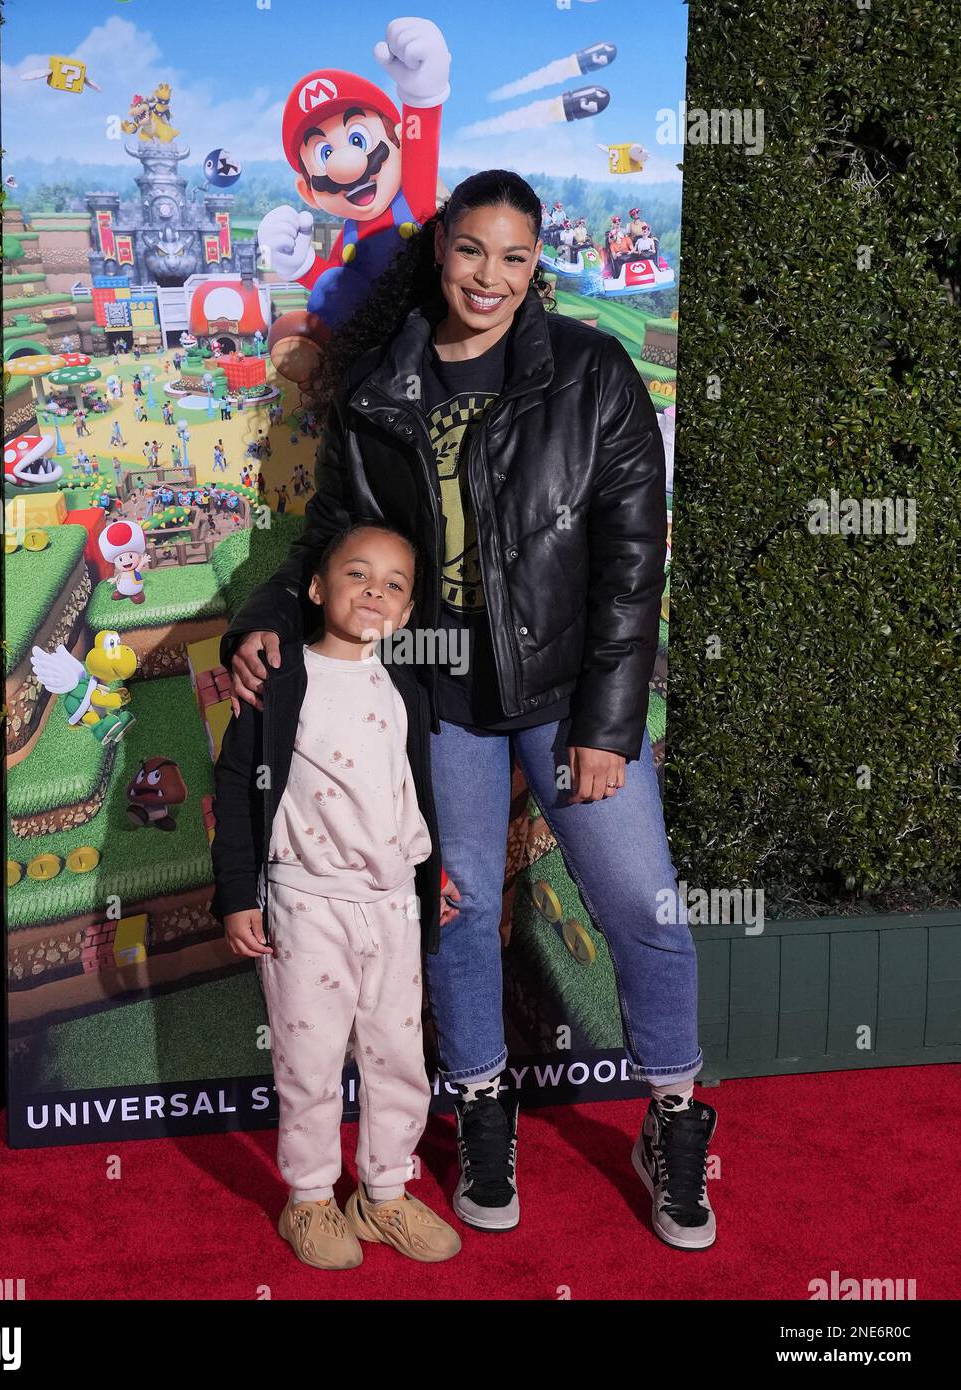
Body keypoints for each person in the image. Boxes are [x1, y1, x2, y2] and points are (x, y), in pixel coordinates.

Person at [219, 169, 716, 1253]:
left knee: (643, 901)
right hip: (435, 697)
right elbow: (332, 544)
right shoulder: (381, 386)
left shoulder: (590, 372)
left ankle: (673, 1116)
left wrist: (605, 723)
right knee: (449, 910)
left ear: (536, 265)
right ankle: (481, 1106)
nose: (489, 277)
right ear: (440, 246)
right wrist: (264, 615)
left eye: (514, 257)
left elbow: (633, 565)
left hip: (569, 692)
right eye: (471, 251)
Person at [210, 523, 463, 1271]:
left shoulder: (409, 685)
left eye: (393, 584)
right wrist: (235, 892)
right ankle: (311, 1200)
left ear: (408, 611)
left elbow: (410, 792)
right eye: (357, 575)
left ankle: (383, 1196)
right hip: (305, 902)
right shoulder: (279, 682)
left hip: (392, 907)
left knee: (398, 1059)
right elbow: (235, 784)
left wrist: (428, 875)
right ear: (316, 590)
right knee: (310, 1062)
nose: (374, 592)